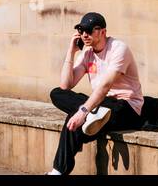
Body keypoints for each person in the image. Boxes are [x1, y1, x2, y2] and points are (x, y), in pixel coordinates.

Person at [47, 12, 146, 175]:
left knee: (75, 116)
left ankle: (58, 172)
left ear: (102, 32)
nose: (84, 34)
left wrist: (83, 111)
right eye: (81, 30)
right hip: (101, 106)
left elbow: (105, 86)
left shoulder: (118, 49)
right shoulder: (87, 53)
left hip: (126, 107)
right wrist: (71, 52)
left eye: (89, 30)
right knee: (56, 93)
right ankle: (92, 114)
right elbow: (66, 85)